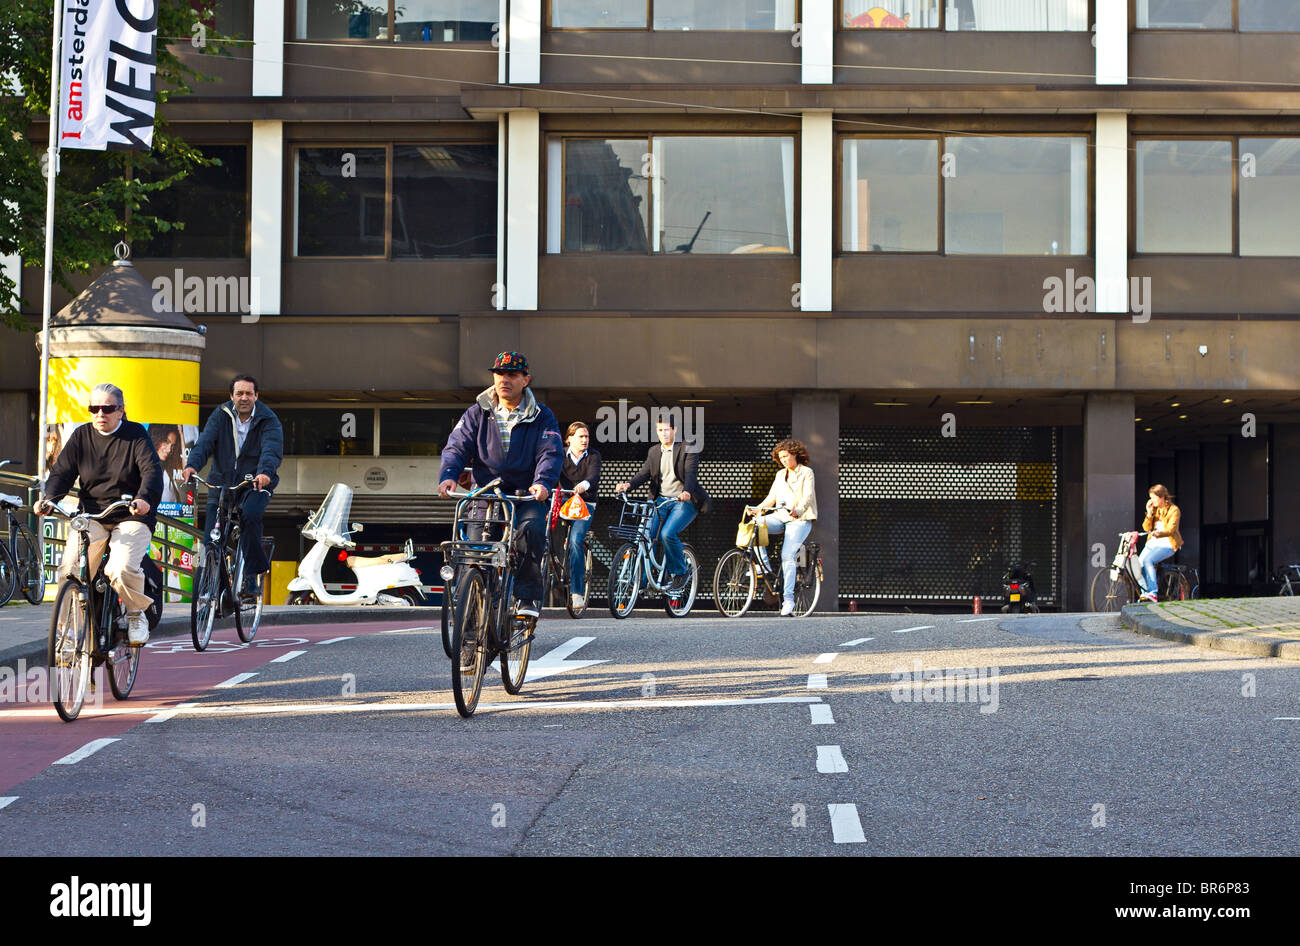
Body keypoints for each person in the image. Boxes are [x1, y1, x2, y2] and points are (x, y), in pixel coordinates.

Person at [437, 351, 562, 620]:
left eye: (512, 374)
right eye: (499, 374)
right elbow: (457, 446)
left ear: (525, 379)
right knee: (472, 550)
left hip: (524, 495)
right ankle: (471, 615)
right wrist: (449, 474)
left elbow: (550, 453)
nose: (504, 379)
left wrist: (542, 482)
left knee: (532, 533)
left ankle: (526, 597)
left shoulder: (542, 416)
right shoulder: (477, 412)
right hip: (485, 493)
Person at [35, 383, 163, 645]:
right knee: (70, 569)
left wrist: (144, 499)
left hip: (131, 513)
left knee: (120, 568)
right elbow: (61, 473)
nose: (100, 414)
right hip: (93, 515)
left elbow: (151, 471)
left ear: (121, 411)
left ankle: (136, 613)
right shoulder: (82, 436)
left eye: (107, 408)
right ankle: (69, 632)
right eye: (94, 408)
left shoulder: (135, 434)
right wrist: (48, 499)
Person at [182, 375, 283, 598]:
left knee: (250, 516)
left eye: (248, 393)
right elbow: (204, 443)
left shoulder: (268, 420)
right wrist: (192, 466)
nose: (244, 397)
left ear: (256, 396)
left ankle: (251, 575)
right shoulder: (221, 415)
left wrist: (265, 472)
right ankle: (213, 583)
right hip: (222, 482)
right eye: (239, 393)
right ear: (231, 396)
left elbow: (271, 449)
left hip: (254, 482)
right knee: (211, 538)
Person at [615, 414, 711, 594]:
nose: (664, 433)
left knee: (667, 534)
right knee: (646, 536)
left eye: (667, 429)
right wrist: (628, 485)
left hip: (683, 502)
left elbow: (691, 473)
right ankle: (642, 581)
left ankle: (680, 573)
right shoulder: (654, 451)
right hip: (660, 501)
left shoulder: (687, 448)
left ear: (675, 430)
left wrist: (687, 492)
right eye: (660, 430)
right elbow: (644, 474)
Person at [746, 439, 818, 616]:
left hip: (800, 519)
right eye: (781, 458)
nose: (784, 460)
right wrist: (757, 509)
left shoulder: (806, 472)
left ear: (795, 454)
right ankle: (765, 568)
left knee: (787, 555)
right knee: (755, 525)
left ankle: (788, 600)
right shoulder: (780, 475)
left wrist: (799, 509)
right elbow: (771, 498)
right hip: (780, 516)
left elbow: (808, 496)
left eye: (786, 456)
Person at [559, 421, 601, 611]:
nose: (585, 440)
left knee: (576, 541)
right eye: (580, 437)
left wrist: (584, 485)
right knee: (541, 533)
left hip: (585, 503)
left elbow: (593, 477)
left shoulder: (593, 456)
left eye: (586, 437)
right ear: (569, 439)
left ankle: (576, 592)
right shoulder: (559, 454)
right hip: (562, 502)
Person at [1138, 484, 1182, 602]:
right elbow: (1146, 528)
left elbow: (1171, 530)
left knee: (1148, 560)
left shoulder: (1174, 510)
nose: (1151, 500)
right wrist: (1149, 512)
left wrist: (1159, 533)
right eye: (1150, 498)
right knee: (1138, 565)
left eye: (1153, 498)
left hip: (1167, 544)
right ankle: (1145, 593)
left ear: (1162, 497)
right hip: (1152, 544)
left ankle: (1153, 592)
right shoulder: (1155, 510)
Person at [150, 424, 185, 507]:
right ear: (157, 439)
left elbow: (186, 469)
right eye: (166, 442)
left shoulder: (169, 469)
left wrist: (181, 434)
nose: (169, 449)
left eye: (173, 445)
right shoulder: (144, 466)